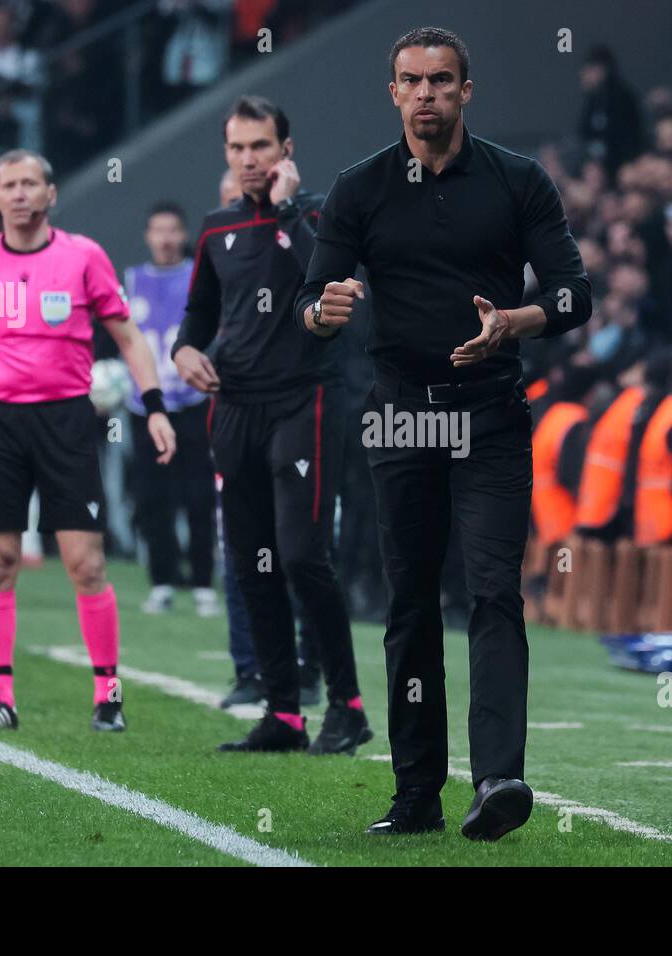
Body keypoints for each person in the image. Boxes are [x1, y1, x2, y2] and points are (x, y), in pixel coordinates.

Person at [295, 27, 592, 838]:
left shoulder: (518, 180)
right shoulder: (357, 189)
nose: (426, 93)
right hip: (399, 410)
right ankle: (416, 794)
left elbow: (574, 296)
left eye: (441, 80)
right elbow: (309, 302)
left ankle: (499, 777)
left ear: (467, 90)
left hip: (491, 409)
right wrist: (324, 312)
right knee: (410, 601)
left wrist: (516, 321)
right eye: (411, 81)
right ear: (392, 92)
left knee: (494, 591)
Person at [0, 148, 177, 733]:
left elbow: (129, 336)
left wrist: (154, 405)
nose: (19, 193)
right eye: (8, 184)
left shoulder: (83, 256)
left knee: (85, 563)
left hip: (66, 421)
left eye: (30, 182)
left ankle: (108, 695)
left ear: (51, 193)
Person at [172, 96, 369, 754]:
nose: (248, 159)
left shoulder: (318, 214)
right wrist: (184, 352)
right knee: (249, 561)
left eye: (260, 146)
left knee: (302, 555)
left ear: (286, 149)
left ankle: (346, 704)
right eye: (237, 148)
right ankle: (283, 712)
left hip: (304, 399)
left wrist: (287, 213)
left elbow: (332, 282)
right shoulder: (214, 228)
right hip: (235, 405)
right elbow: (198, 318)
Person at [125, 201, 219, 618]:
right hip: (145, 404)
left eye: (172, 231)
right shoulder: (130, 281)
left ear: (183, 235)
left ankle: (202, 584)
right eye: (157, 231)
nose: (165, 239)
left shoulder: (199, 277)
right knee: (151, 497)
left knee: (199, 495)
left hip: (193, 400)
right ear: (147, 236)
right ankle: (162, 582)